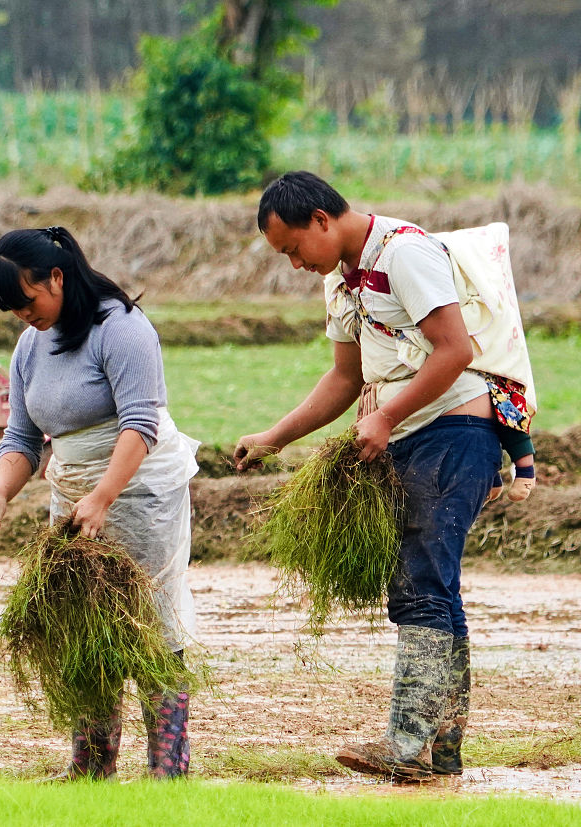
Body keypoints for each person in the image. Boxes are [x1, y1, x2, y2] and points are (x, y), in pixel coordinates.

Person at [234, 170, 521, 782]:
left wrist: (386, 415)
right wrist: (274, 437)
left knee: (422, 582)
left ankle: (407, 744)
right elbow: (344, 378)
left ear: (320, 220)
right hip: (411, 435)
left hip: (454, 432)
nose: (293, 265)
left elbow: (454, 350)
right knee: (433, 584)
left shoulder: (404, 254)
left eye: (292, 250)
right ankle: (439, 750)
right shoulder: (344, 282)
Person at [0, 226, 200, 780]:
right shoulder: (30, 344)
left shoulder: (120, 329)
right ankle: (91, 767)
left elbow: (141, 423)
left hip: (141, 490)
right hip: (73, 492)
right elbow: (23, 439)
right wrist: (0, 493)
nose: (23, 316)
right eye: (13, 310)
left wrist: (104, 497)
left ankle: (169, 771)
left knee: (151, 622)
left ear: (57, 277)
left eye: (28, 301)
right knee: (81, 623)